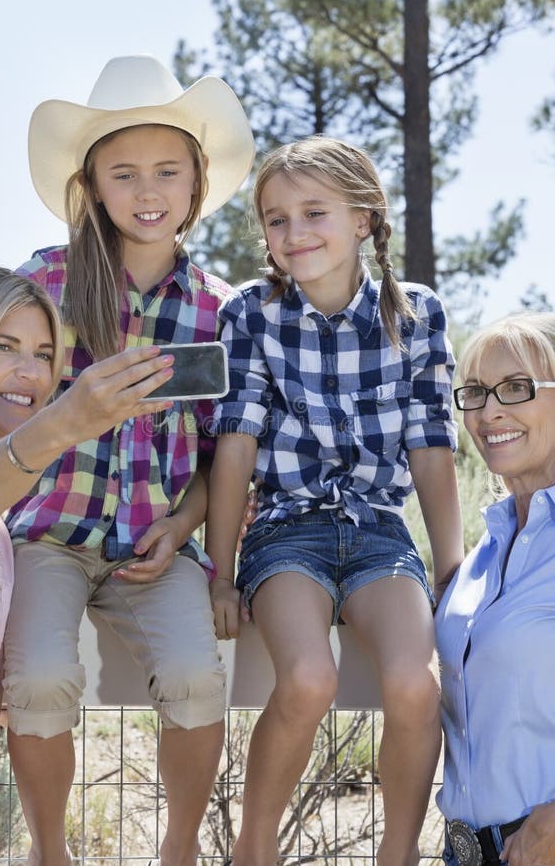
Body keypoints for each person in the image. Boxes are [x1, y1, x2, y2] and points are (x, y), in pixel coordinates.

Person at [1, 54, 254, 866]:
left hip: (157, 544)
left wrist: (184, 528)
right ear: (93, 188)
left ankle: (177, 850)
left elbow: (222, 449)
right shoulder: (45, 283)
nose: (148, 192)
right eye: (124, 173)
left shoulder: (220, 307)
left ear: (195, 182)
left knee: (194, 678)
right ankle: (49, 851)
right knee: (38, 681)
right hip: (49, 534)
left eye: (167, 172)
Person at [205, 136, 463, 866]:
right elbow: (236, 447)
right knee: (310, 677)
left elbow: (431, 444)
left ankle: (399, 853)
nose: (295, 233)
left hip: (380, 533)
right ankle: (253, 851)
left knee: (415, 686)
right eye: (276, 219)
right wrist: (221, 573)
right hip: (285, 534)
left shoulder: (415, 314)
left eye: (314, 212)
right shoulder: (252, 314)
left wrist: (451, 565)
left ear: (365, 219)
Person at [0, 263, 175, 866]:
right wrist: (64, 424)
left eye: (45, 354)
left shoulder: (2, 493)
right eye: (4, 347)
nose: (30, 372)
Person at [435, 312, 555, 866]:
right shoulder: (482, 555)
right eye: (477, 393)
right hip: (466, 853)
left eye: (516, 389)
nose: (489, 412)